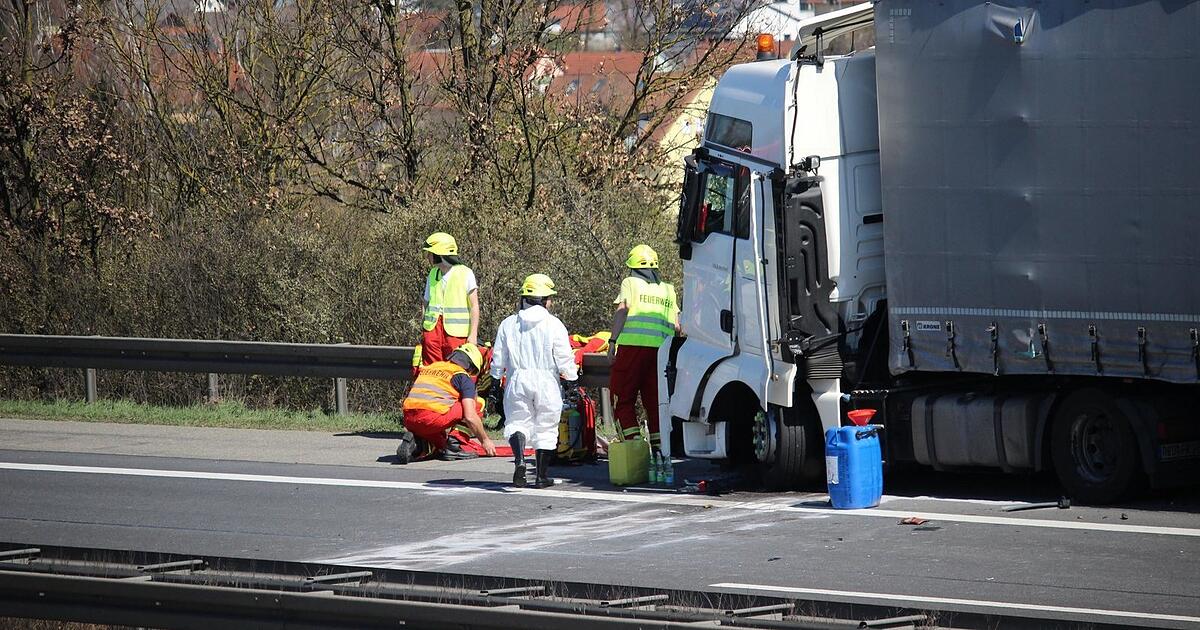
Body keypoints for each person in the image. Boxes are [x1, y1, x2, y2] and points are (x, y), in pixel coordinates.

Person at [490, 273, 579, 488]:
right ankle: (541, 477)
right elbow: (564, 357)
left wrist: (494, 381)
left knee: (517, 422)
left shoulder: (508, 324)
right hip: (547, 382)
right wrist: (572, 381)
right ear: (546, 300)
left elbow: (498, 357)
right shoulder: (554, 324)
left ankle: (520, 460)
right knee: (546, 428)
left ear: (524, 298)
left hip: (517, 380)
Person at [608, 244, 679, 454]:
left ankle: (634, 446)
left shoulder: (630, 283)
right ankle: (660, 450)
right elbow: (677, 325)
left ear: (633, 268)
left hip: (632, 349)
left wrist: (612, 341)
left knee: (622, 397)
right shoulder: (668, 289)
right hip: (662, 353)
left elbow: (622, 311)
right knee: (657, 403)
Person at [397, 343, 496, 463]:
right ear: (471, 367)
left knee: (440, 447)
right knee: (476, 403)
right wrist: (485, 440)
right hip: (431, 419)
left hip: (409, 420)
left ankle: (418, 444)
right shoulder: (462, 377)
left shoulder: (431, 367)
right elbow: (470, 417)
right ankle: (455, 444)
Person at [420, 232, 480, 367]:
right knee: (432, 372)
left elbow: (474, 306)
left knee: (455, 372)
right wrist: (424, 331)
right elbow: (426, 302)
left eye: (430, 253)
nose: (428, 257)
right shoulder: (433, 273)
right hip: (432, 332)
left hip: (456, 334)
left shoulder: (465, 273)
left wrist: (473, 335)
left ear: (438, 254)